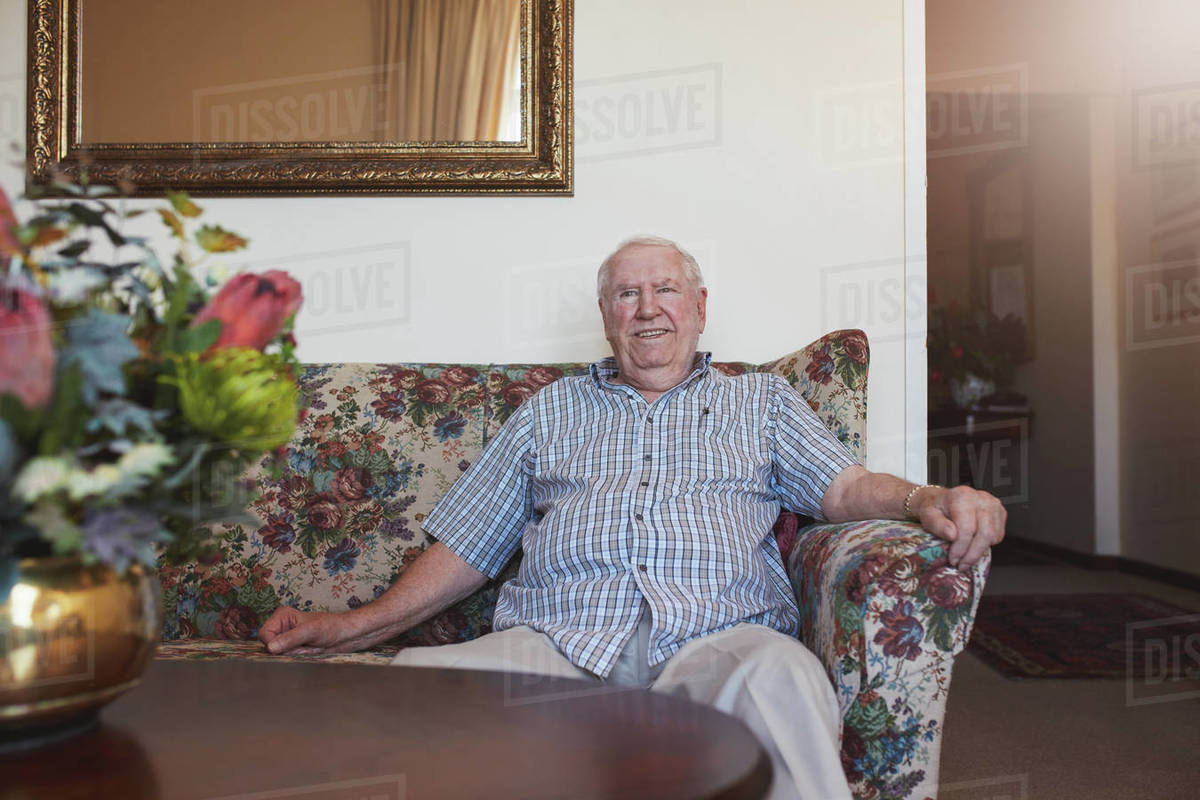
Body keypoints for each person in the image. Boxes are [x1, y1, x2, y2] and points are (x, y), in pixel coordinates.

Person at [259, 236, 1005, 800]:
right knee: (413, 695)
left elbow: (842, 490)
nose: (647, 308)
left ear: (700, 306)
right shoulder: (551, 411)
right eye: (626, 294)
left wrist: (922, 500)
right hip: (557, 647)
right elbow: (469, 545)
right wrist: (355, 625)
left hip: (720, 639)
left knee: (783, 680)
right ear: (605, 315)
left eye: (666, 289)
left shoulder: (763, 402)